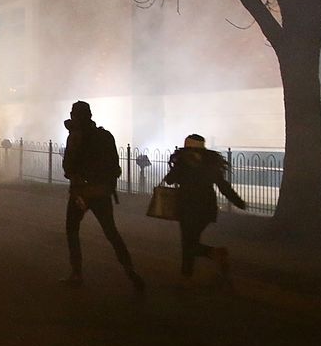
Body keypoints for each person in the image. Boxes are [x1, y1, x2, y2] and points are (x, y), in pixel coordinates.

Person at [60, 102, 144, 293]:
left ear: (75, 116)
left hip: (81, 193)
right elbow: (115, 167)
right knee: (111, 232)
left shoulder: (75, 136)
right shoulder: (105, 136)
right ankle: (130, 270)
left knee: (72, 230)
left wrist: (76, 179)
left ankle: (77, 273)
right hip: (101, 192)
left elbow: (68, 166)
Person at [163, 133, 248, 282]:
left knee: (188, 243)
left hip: (188, 208)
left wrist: (175, 167)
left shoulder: (183, 162)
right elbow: (223, 186)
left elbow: (169, 180)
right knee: (191, 242)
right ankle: (188, 274)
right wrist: (238, 202)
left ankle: (213, 254)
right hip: (207, 209)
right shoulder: (210, 164)